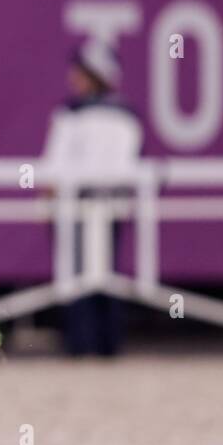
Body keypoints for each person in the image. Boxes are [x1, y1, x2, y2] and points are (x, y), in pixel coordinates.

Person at [40, 39, 143, 356]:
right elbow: (131, 166)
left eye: (79, 71)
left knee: (81, 274)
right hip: (112, 205)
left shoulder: (71, 114)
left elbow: (54, 166)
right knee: (105, 270)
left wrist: (49, 201)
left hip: (78, 205)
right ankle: (107, 344)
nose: (73, 77)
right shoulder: (127, 116)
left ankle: (82, 344)